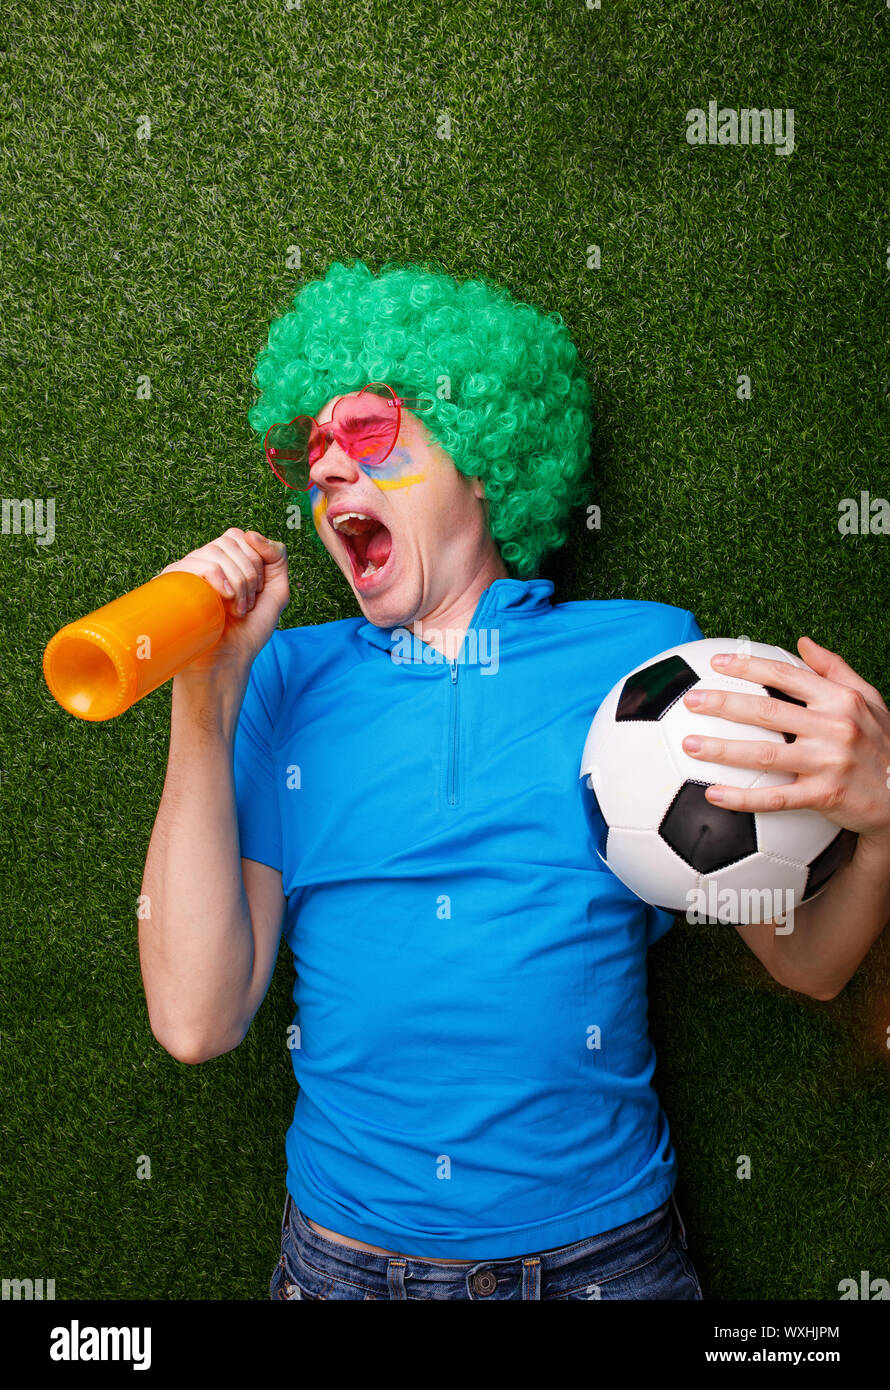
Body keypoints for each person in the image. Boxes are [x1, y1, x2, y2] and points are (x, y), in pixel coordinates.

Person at [139, 260, 890, 1301]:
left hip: (604, 1264)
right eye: (310, 450)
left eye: (366, 434)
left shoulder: (650, 664)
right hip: (344, 1266)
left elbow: (806, 964)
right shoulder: (285, 680)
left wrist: (882, 825)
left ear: (483, 457)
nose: (325, 472)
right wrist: (202, 696)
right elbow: (194, 1019)